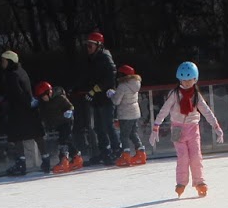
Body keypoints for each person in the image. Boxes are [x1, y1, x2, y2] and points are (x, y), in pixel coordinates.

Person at [149, 61, 223, 197]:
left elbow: (206, 111)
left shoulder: (196, 95)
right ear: (179, 79)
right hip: (176, 129)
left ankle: (199, 182)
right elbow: (164, 110)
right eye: (184, 80)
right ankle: (181, 182)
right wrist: (156, 126)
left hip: (193, 129)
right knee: (182, 157)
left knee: (195, 156)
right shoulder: (175, 94)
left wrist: (216, 126)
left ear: (195, 79)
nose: (187, 82)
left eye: (189, 80)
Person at [0, 51, 45, 175]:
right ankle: (45, 159)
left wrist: (8, 101)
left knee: (17, 136)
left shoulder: (11, 75)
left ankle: (21, 163)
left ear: (9, 61)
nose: (2, 63)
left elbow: (17, 93)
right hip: (27, 109)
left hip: (18, 111)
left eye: (3, 61)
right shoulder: (21, 71)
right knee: (36, 134)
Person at [82, 31, 118, 163]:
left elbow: (110, 78)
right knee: (98, 127)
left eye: (90, 46)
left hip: (106, 98)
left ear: (99, 46)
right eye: (87, 46)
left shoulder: (105, 58)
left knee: (108, 125)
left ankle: (117, 150)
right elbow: (89, 77)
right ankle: (105, 151)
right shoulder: (93, 59)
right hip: (97, 99)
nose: (88, 49)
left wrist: (95, 90)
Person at [36, 82, 79, 173]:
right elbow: (44, 114)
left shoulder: (60, 97)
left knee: (62, 141)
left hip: (66, 121)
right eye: (41, 97)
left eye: (44, 96)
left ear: (49, 92)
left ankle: (64, 161)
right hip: (58, 124)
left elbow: (70, 106)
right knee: (67, 140)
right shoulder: (44, 103)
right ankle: (77, 158)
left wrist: (70, 111)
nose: (43, 98)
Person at [109, 64, 146, 166]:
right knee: (133, 133)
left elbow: (116, 101)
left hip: (125, 114)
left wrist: (112, 95)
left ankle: (126, 156)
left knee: (124, 136)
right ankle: (141, 153)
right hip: (135, 113)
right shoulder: (135, 83)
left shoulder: (122, 86)